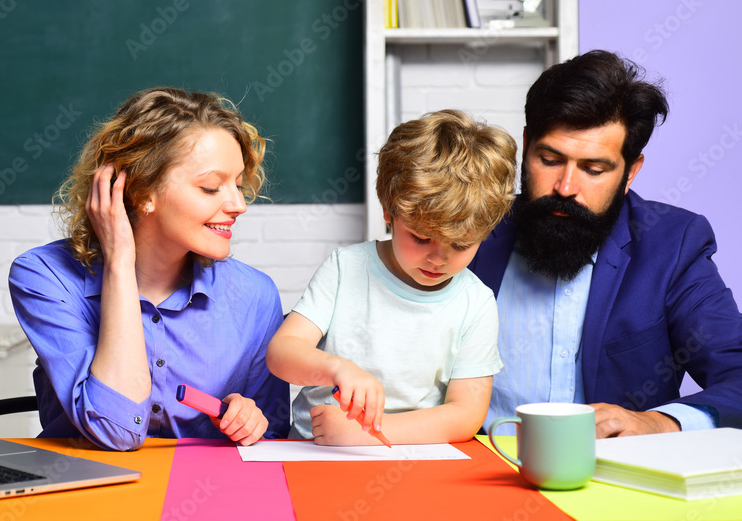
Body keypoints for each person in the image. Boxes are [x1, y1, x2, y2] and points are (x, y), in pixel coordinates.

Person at [471, 49, 742, 437]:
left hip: (614, 484)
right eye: (549, 159)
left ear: (631, 172)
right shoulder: (471, 230)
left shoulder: (674, 246)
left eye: (593, 169)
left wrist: (657, 422)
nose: (565, 188)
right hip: (477, 475)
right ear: (526, 145)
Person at [9, 87, 289, 451]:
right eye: (210, 187)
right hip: (83, 495)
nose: (239, 205)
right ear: (141, 192)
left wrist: (250, 421)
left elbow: (273, 437)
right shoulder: (44, 277)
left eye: (237, 185)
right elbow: (116, 432)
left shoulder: (255, 295)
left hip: (205, 499)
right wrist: (120, 263)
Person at [266, 110, 517, 445]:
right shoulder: (346, 268)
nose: (437, 258)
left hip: (411, 456)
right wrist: (338, 368)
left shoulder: (476, 302)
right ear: (389, 211)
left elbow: (466, 414)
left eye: (459, 244)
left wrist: (370, 433)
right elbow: (282, 352)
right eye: (421, 237)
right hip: (316, 453)